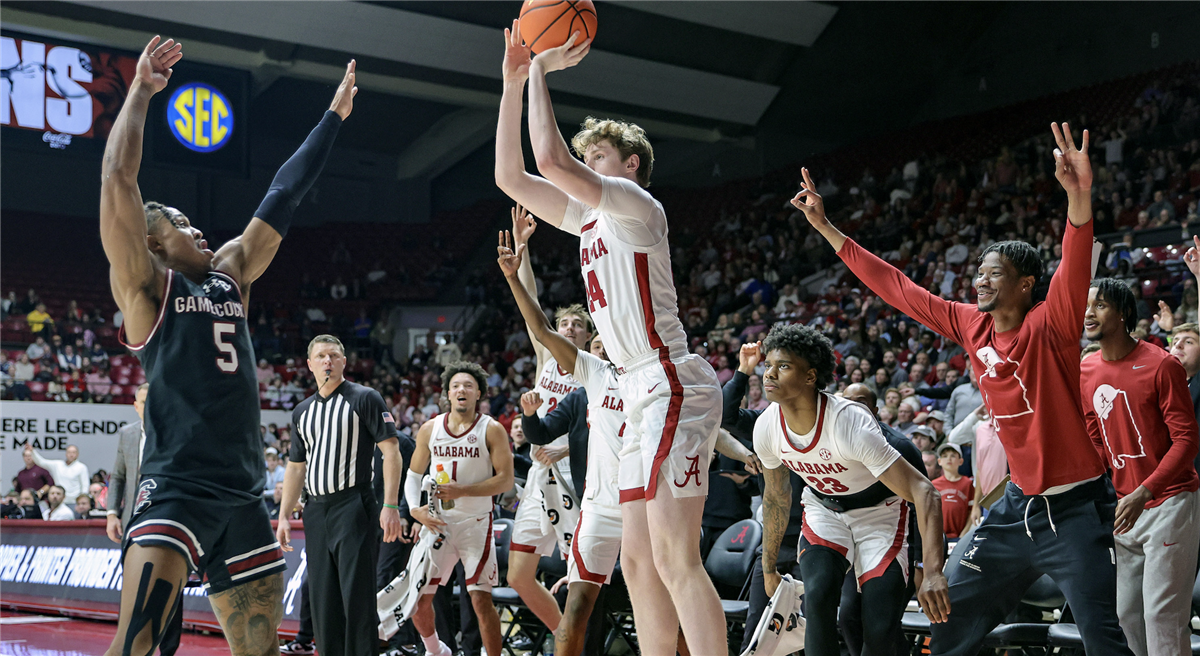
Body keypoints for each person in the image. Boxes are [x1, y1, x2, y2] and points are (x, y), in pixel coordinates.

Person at [795, 123, 1133, 655]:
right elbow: (896, 287)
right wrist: (827, 228)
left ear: (1025, 285)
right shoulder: (968, 324)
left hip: (1074, 513)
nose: (979, 280)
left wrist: (1078, 194)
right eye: (978, 272)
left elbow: (1074, 258)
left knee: (1102, 637)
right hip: (1011, 512)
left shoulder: (1054, 322)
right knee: (947, 616)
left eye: (993, 273)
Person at [97, 35, 355, 655]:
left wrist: (331, 120)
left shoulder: (231, 272)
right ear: (154, 243)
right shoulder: (145, 288)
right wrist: (138, 94)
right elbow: (117, 178)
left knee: (260, 651)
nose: (196, 226)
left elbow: (282, 195)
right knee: (133, 647)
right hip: (176, 486)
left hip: (243, 492)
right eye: (180, 224)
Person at [495, 23, 727, 651]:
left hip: (670, 377)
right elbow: (513, 179)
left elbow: (548, 161)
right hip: (636, 387)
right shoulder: (589, 220)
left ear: (630, 166)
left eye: (594, 155)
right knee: (637, 564)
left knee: (676, 559)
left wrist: (541, 68)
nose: (584, 163)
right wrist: (513, 81)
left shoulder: (636, 207)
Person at [752, 323, 948, 656]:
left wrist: (931, 572)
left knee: (878, 628)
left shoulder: (848, 423)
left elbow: (925, 492)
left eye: (782, 366)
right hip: (824, 509)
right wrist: (768, 568)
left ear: (811, 376)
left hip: (879, 514)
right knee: (817, 597)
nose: (768, 374)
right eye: (767, 365)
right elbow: (774, 499)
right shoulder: (766, 427)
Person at [1080, 279, 1199, 656]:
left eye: (1099, 305)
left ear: (1124, 313)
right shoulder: (1086, 368)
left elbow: (1186, 441)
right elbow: (1093, 433)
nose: (1088, 313)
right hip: (1121, 507)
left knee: (1162, 617)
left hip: (1169, 500)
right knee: (1125, 615)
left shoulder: (1162, 364)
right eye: (1087, 306)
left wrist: (1144, 490)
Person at [276, 335, 404, 656]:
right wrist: (282, 516)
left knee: (357, 598)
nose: (327, 362)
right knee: (322, 599)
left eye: (333, 355)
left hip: (354, 505)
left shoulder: (365, 398)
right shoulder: (301, 411)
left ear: (344, 362)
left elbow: (392, 452)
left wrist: (390, 505)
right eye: (320, 356)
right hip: (316, 511)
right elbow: (294, 468)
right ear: (309, 365)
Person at [505, 204, 590, 637]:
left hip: (578, 479)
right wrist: (523, 246)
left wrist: (568, 443)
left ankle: (583, 643)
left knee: (584, 577)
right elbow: (530, 304)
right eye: (564, 322)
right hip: (541, 478)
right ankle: (565, 640)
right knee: (518, 575)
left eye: (577, 323)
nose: (569, 327)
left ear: (589, 335)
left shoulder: (594, 367)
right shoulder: (546, 357)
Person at [403, 362, 513, 656]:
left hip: (476, 522)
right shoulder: (430, 428)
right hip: (440, 522)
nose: (461, 389)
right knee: (418, 599)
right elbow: (413, 476)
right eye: (455, 386)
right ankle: (436, 651)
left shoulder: (493, 429)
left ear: (479, 393)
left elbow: (506, 480)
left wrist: (463, 490)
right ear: (447, 394)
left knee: (480, 601)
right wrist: (415, 511)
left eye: (468, 385)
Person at [930, 443, 974, 539]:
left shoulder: (967, 483)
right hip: (939, 536)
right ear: (939, 461)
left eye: (953, 456)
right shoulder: (934, 484)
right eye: (945, 456)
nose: (949, 459)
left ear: (961, 461)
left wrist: (964, 534)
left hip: (961, 536)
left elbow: (972, 511)